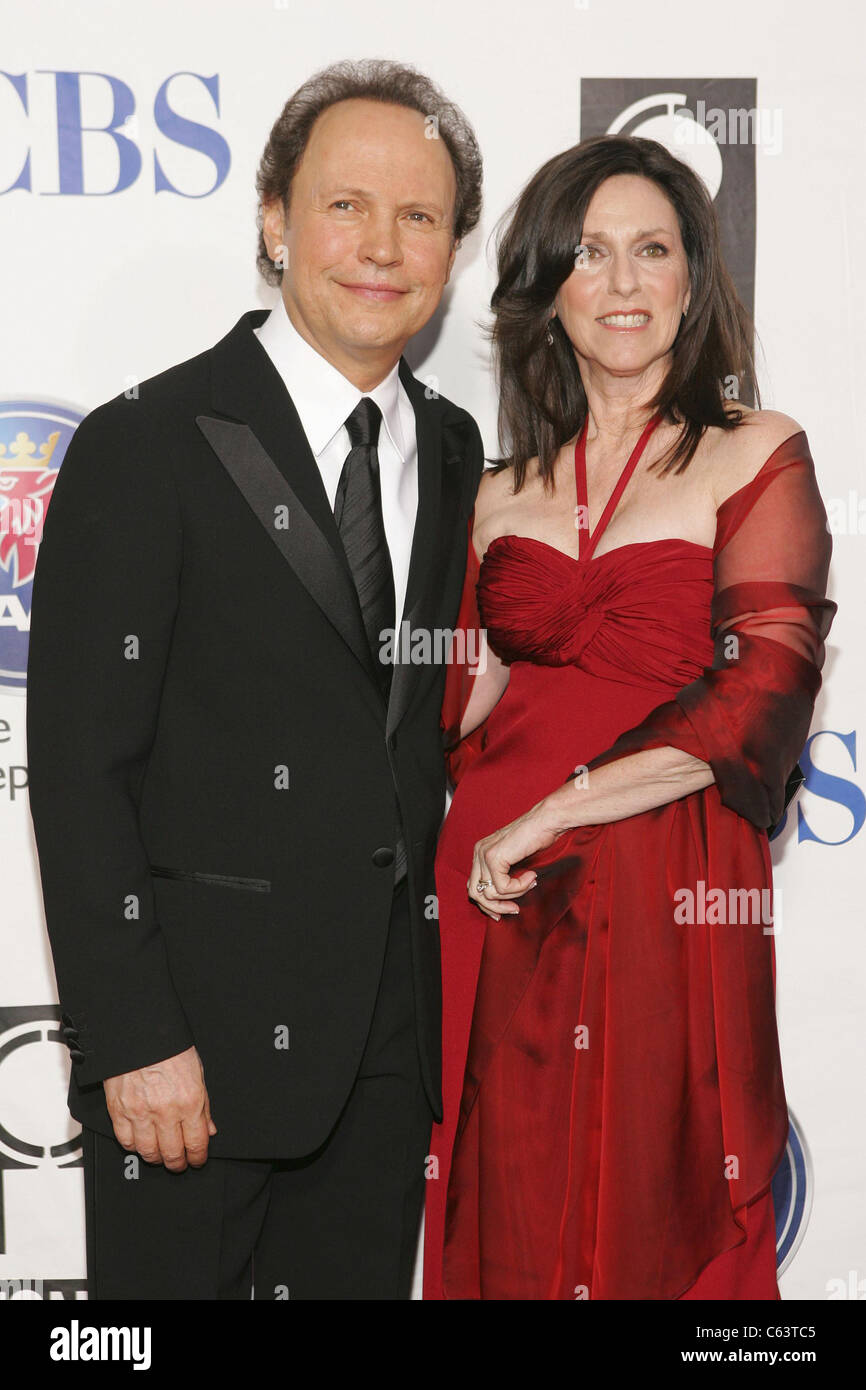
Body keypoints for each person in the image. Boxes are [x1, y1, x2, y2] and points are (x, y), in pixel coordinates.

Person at [26, 58, 485, 1300]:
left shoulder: (450, 448)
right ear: (275, 222)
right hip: (191, 1065)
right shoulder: (145, 442)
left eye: (420, 216)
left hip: (381, 1068)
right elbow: (78, 771)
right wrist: (132, 1039)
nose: (380, 245)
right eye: (345, 205)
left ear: (452, 249)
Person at [423, 134, 836, 1300]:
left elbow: (759, 692)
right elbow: (460, 699)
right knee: (504, 1195)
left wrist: (556, 809)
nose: (619, 283)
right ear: (547, 287)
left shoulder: (754, 453)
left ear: (693, 280)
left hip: (665, 872)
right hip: (494, 888)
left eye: (650, 250)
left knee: (665, 1197)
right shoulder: (494, 488)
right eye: (588, 253)